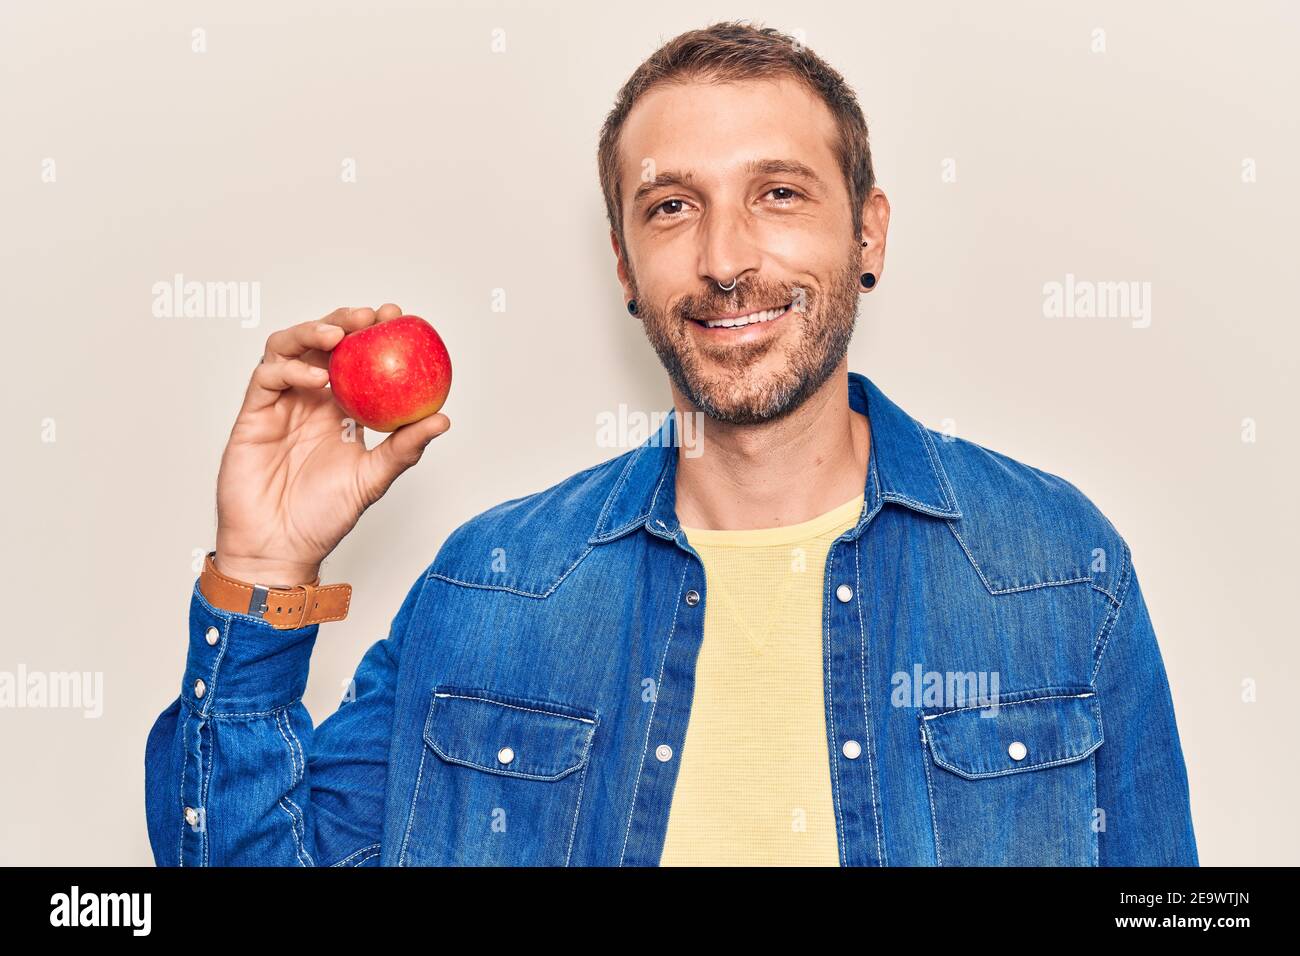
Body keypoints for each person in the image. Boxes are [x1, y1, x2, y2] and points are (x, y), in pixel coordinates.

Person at [145, 20, 1197, 866]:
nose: (725, 257)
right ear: (622, 265)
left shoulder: (1057, 566)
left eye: (778, 194)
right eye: (670, 207)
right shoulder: (490, 591)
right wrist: (263, 570)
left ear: (867, 232)